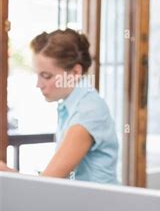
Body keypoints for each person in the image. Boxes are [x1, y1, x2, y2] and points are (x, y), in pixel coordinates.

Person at [0, 29, 119, 184]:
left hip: (98, 205)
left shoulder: (89, 112)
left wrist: (9, 174)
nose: (38, 84)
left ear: (75, 72)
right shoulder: (72, 105)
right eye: (38, 75)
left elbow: (48, 183)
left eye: (46, 76)